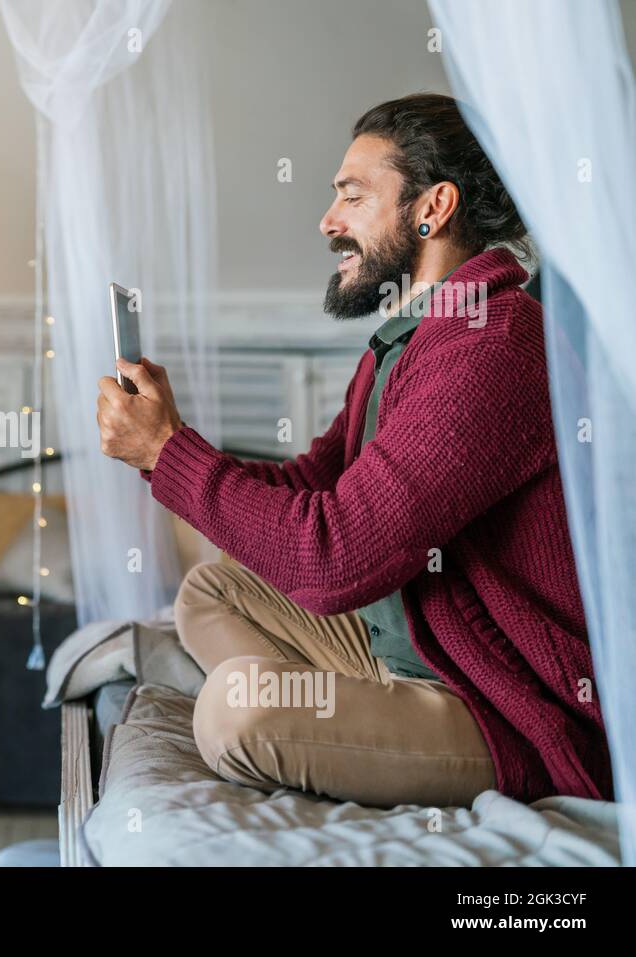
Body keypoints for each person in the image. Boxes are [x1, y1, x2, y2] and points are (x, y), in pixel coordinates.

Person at [96, 93, 610, 808]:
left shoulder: (494, 343)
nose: (328, 221)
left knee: (232, 709)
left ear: (433, 207)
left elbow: (334, 554)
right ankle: (348, 730)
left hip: (498, 701)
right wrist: (165, 446)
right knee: (210, 591)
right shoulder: (413, 336)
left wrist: (170, 452)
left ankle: (339, 733)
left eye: (352, 196)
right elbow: (313, 485)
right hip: (410, 644)